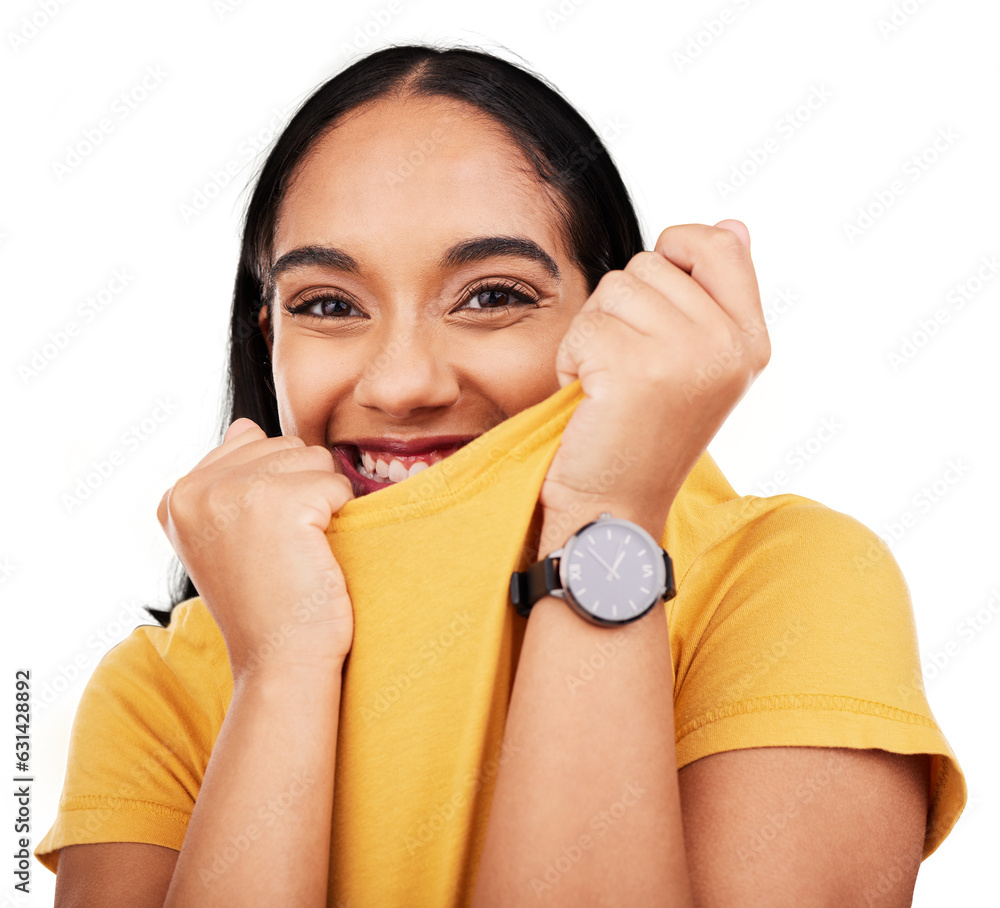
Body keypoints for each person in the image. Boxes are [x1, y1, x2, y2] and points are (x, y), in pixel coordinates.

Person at [36, 42, 966, 907]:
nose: (400, 383)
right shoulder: (158, 688)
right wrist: (279, 669)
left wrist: (607, 518)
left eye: (491, 297)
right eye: (327, 303)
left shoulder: (786, 580)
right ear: (266, 333)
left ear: (608, 320)